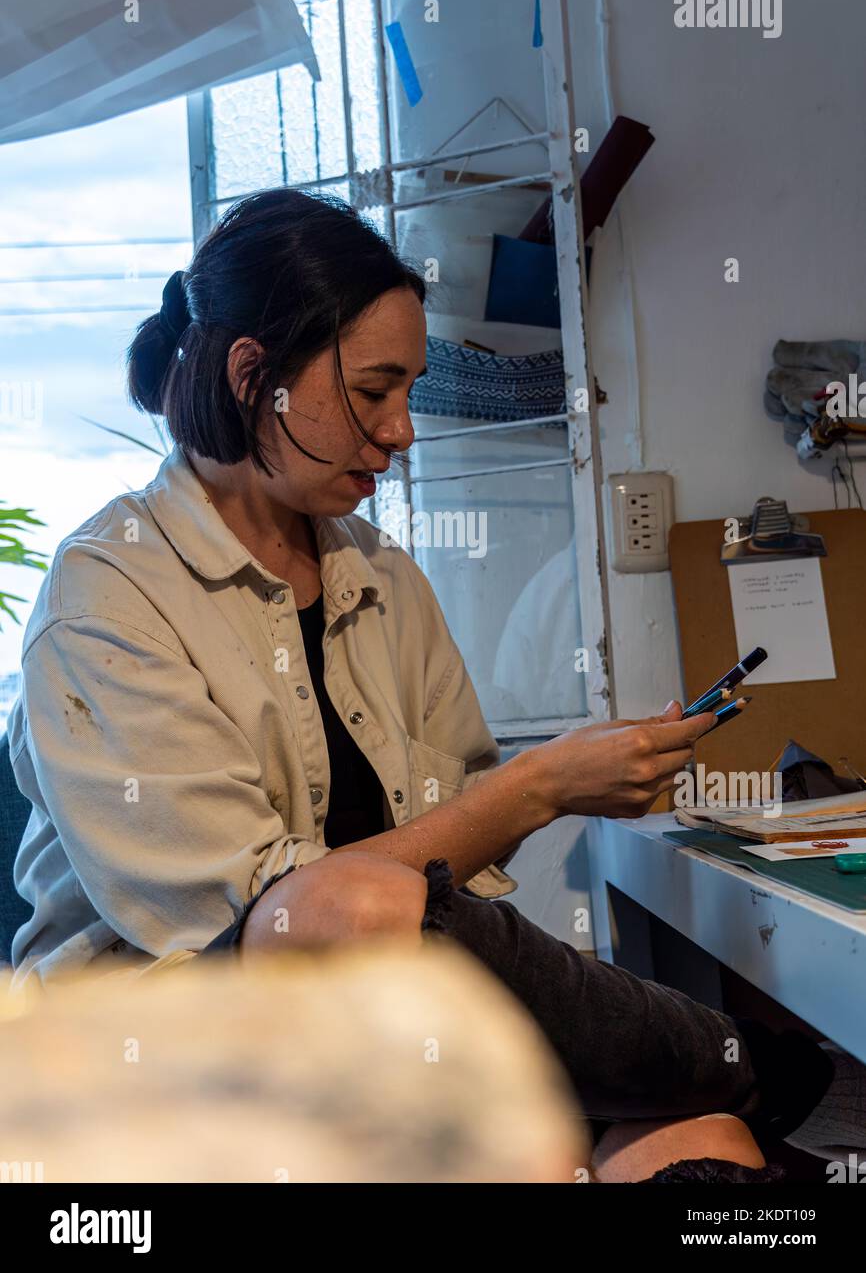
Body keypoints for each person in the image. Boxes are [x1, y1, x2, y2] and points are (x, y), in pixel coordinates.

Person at [7, 189, 858, 1163]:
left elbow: (452, 891)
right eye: (373, 391)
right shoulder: (107, 596)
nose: (403, 430)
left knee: (693, 1136)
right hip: (186, 1040)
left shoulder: (383, 580)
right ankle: (744, 1065)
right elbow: (270, 922)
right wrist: (537, 786)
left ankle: (725, 1085)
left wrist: (519, 809)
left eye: (407, 390)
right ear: (252, 377)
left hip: (376, 1024)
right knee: (345, 905)